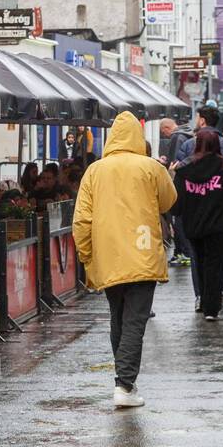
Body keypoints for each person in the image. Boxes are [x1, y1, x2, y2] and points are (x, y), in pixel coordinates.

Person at [74, 111, 177, 408]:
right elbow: (170, 200)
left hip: (108, 255)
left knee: (118, 318)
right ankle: (125, 384)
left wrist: (87, 255)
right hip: (143, 253)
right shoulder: (150, 167)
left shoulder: (95, 170)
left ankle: (124, 381)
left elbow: (82, 219)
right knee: (135, 320)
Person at [170, 130, 223, 320]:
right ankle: (212, 307)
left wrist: (177, 214)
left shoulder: (184, 170)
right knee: (214, 263)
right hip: (219, 223)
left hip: (192, 222)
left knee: (199, 260)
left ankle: (202, 299)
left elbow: (176, 199)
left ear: (196, 144)